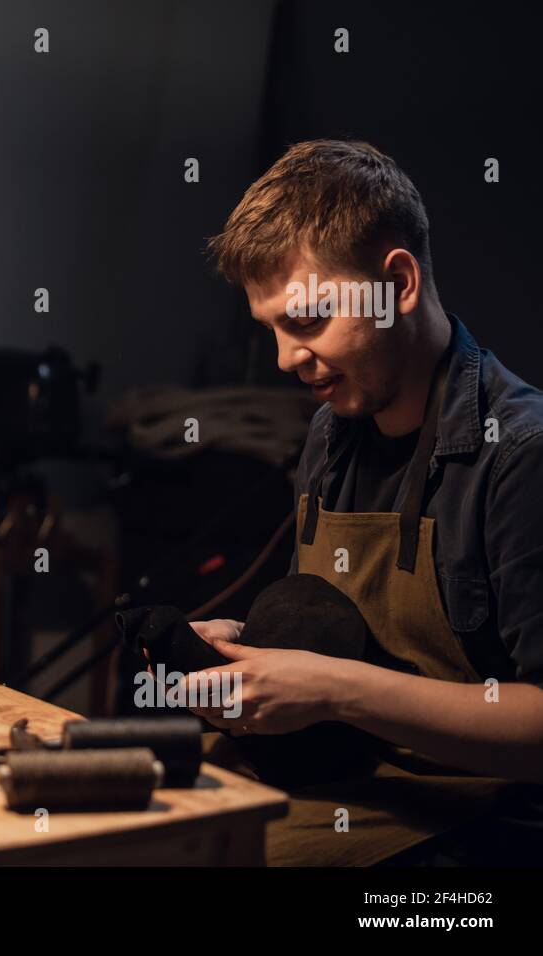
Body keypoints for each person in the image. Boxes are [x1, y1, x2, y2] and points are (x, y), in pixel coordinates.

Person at [194, 139, 543, 864]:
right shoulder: (333, 433)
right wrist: (251, 658)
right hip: (344, 784)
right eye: (273, 331)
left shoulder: (520, 457)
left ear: (399, 282)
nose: (288, 358)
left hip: (479, 824)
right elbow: (336, 635)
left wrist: (332, 689)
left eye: (310, 320)